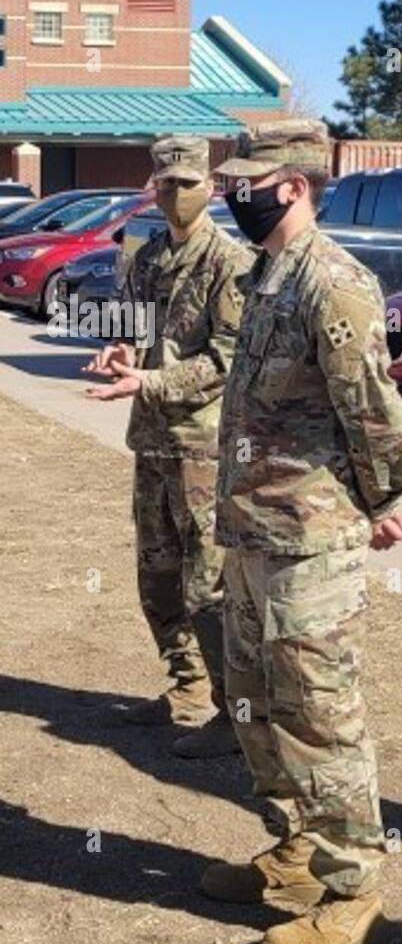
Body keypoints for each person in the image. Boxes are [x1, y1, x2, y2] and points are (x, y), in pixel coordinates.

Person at [199, 120, 402, 944]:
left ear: (293, 185)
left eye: (246, 183)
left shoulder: (334, 284)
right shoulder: (265, 277)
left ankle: (353, 884)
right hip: (253, 532)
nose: (230, 193)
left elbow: (375, 415)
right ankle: (293, 845)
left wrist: (381, 499)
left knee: (321, 716)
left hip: (309, 542)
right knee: (253, 701)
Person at [85, 135, 253, 757]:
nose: (175, 194)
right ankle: (186, 689)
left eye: (186, 183)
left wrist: (150, 378)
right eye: (164, 184)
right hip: (152, 444)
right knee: (156, 578)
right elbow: (137, 331)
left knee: (207, 586)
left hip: (202, 448)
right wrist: (121, 351)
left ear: (209, 187)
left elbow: (228, 359)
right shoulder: (151, 256)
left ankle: (236, 716)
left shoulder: (229, 265)